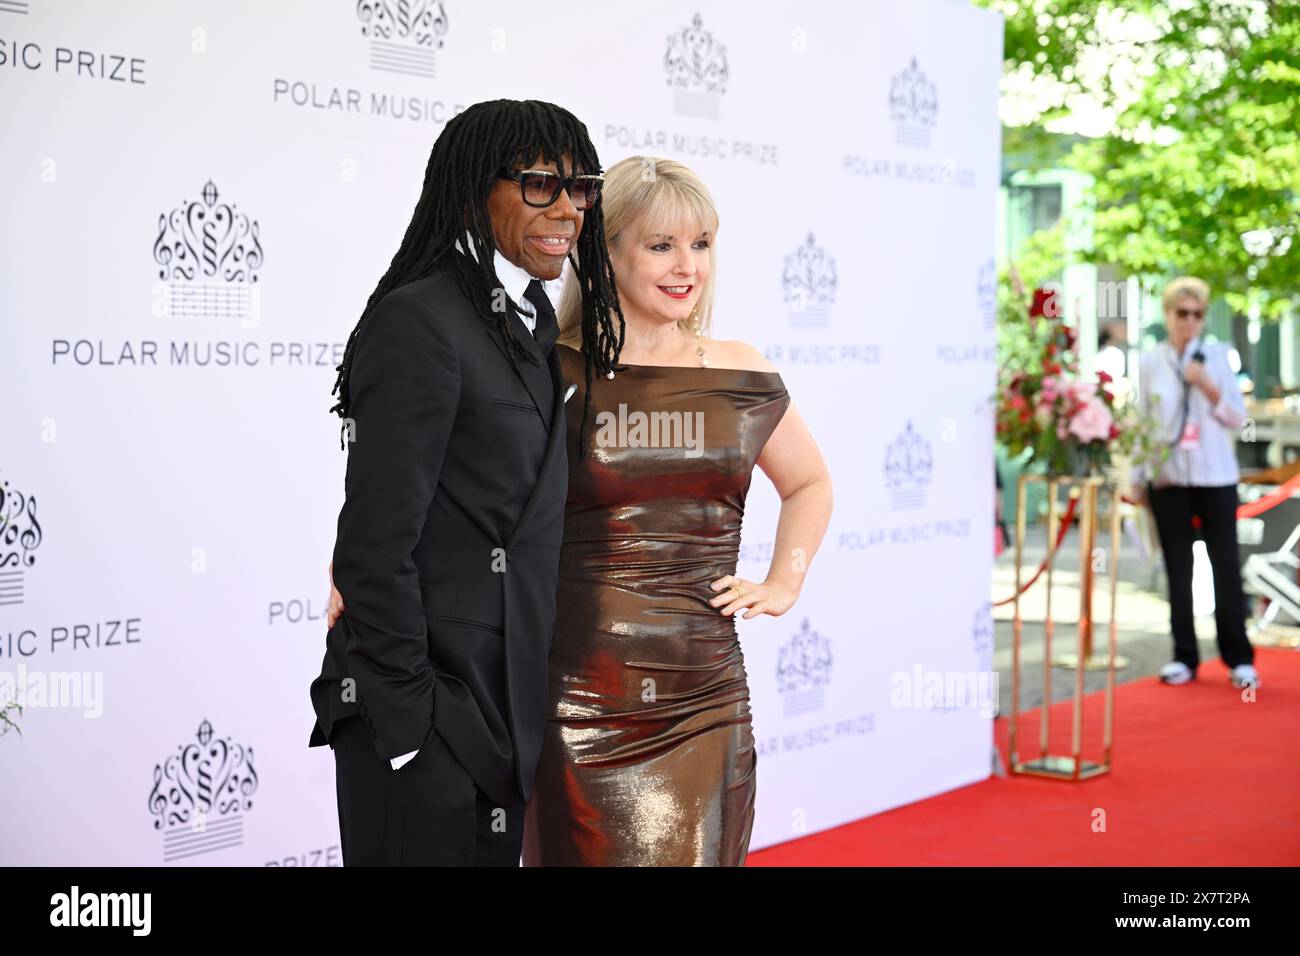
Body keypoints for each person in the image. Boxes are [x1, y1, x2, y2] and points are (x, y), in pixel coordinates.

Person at [308, 99, 624, 866]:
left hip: (498, 720)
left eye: (579, 187)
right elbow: (374, 552)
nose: (568, 210)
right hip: (427, 724)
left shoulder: (526, 323)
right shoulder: (422, 321)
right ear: (472, 191)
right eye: (540, 185)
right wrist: (413, 726)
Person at [522, 156, 833, 865]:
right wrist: (363, 562)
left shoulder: (740, 370)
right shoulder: (553, 369)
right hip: (578, 698)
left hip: (704, 700)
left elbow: (810, 483)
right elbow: (469, 494)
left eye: (700, 244)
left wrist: (784, 579)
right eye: (661, 245)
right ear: (608, 253)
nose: (686, 265)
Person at [1129, 276, 1259, 689]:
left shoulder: (1219, 355)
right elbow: (1141, 422)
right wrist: (1135, 475)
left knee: (1225, 565)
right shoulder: (1151, 361)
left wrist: (1205, 383)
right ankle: (1183, 656)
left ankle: (1238, 658)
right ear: (1168, 315)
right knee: (1177, 568)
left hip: (1215, 475)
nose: (1190, 321)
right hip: (1168, 477)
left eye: (1197, 314)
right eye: (1182, 313)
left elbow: (1240, 419)